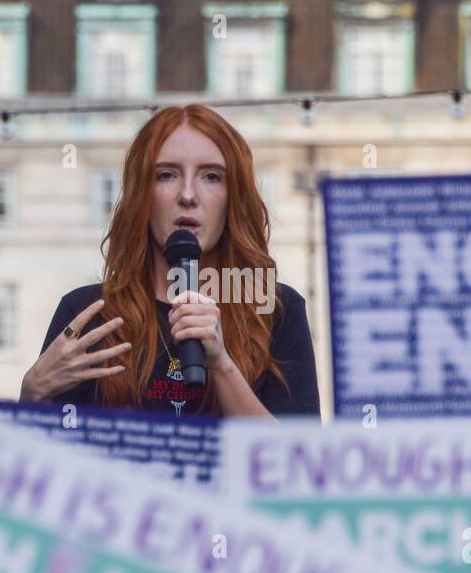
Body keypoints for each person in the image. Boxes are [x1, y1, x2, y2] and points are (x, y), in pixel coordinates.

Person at [19, 103, 319, 419]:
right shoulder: (88, 314)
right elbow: (36, 458)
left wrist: (220, 361)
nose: (187, 194)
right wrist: (32, 394)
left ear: (234, 197)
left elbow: (299, 460)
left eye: (212, 176)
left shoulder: (273, 308)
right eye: (166, 175)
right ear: (142, 196)